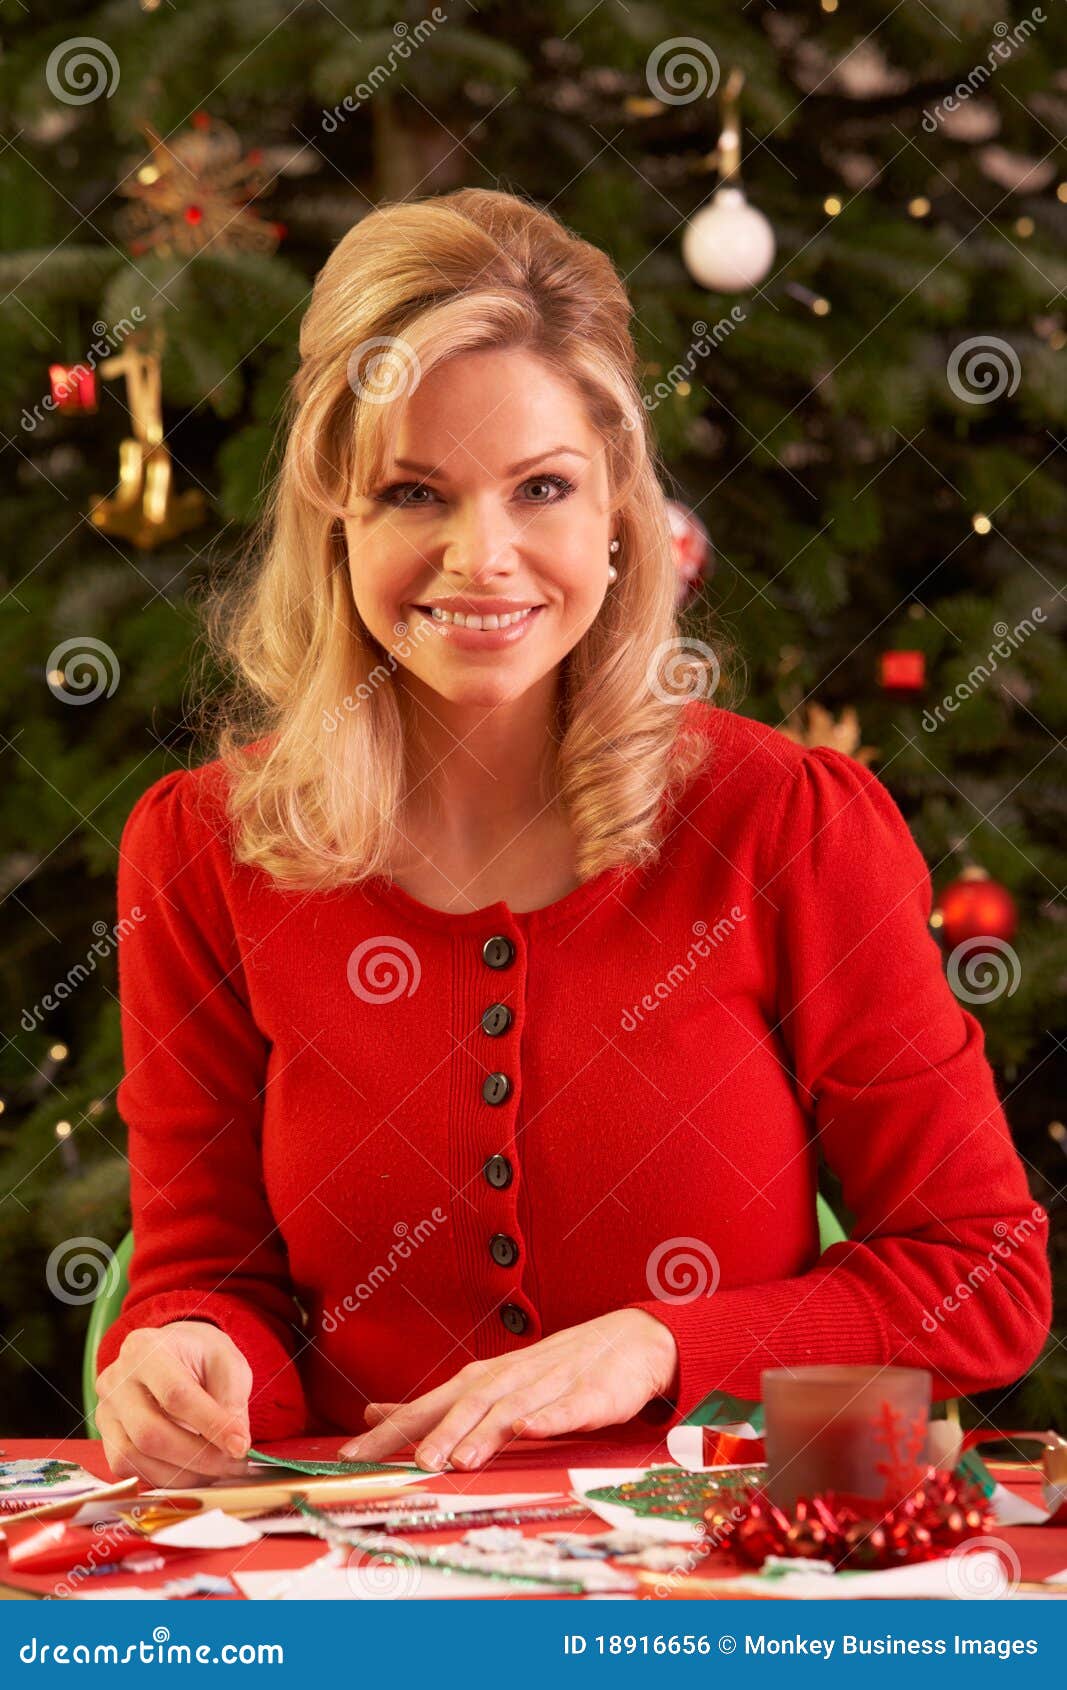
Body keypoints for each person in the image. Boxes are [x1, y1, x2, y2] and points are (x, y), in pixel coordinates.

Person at [94, 188, 1051, 1490]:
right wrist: (186, 1348)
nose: (481, 557)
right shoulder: (204, 850)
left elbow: (984, 1273)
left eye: (540, 488)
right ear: (336, 519)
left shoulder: (787, 826)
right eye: (413, 492)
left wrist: (663, 1344)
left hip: (712, 1570)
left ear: (617, 514)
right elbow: (210, 1281)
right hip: (346, 1573)